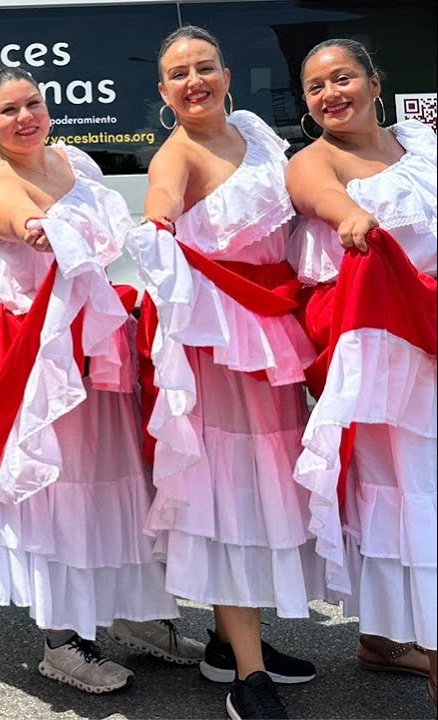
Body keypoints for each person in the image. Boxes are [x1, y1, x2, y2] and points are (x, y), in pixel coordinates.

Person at [0, 67, 206, 697]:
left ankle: (138, 612)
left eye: (32, 103)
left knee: (119, 481)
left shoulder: (74, 162)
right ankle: (63, 642)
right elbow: (14, 221)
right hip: (45, 369)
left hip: (102, 352)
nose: (24, 117)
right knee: (61, 489)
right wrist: (37, 228)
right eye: (8, 110)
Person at [131, 25, 325, 720]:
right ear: (163, 92)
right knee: (233, 498)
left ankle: (231, 643)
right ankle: (248, 674)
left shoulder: (252, 131)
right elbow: (156, 223)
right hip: (223, 346)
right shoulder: (175, 155)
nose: (194, 81)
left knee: (270, 488)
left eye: (204, 67)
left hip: (274, 331)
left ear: (226, 72)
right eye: (179, 73)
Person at [286, 38, 437, 708]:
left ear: (376, 82)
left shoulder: (421, 144)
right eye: (316, 86)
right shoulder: (313, 161)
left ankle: (383, 639)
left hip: (429, 324)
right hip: (383, 349)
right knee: (413, 494)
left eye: (342, 78)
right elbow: (322, 198)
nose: (329, 94)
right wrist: (351, 217)